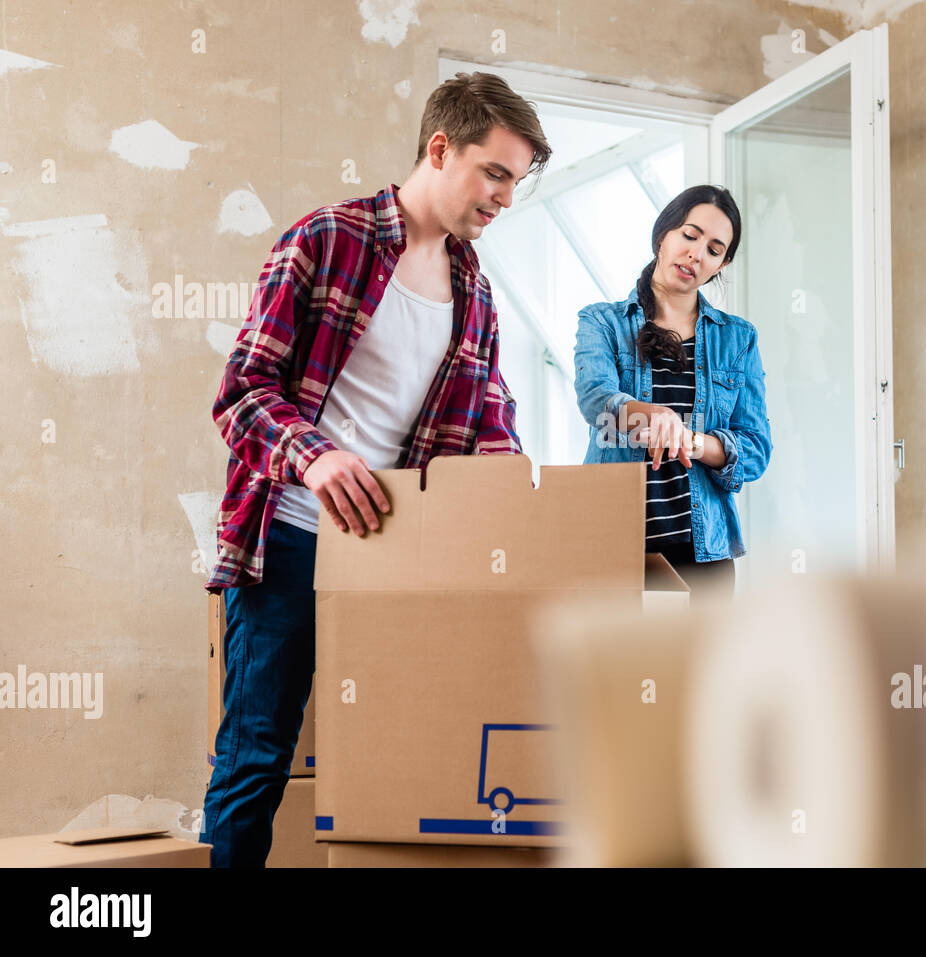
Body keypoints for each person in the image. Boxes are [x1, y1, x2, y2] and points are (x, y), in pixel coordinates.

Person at [200, 72, 550, 867]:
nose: (503, 197)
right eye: (494, 172)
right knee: (257, 758)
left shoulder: (476, 292)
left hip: (394, 559)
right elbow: (240, 391)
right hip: (288, 542)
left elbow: (490, 422)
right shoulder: (326, 239)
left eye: (516, 183)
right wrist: (314, 456)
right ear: (440, 149)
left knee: (401, 761)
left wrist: (530, 505)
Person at [573, 185, 772, 597]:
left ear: (722, 264)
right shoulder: (603, 322)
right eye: (690, 234)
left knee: (700, 664)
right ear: (663, 234)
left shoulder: (738, 339)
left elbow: (755, 450)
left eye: (715, 249)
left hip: (704, 556)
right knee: (617, 663)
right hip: (612, 547)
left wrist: (692, 441)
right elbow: (596, 397)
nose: (697, 254)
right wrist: (650, 414)